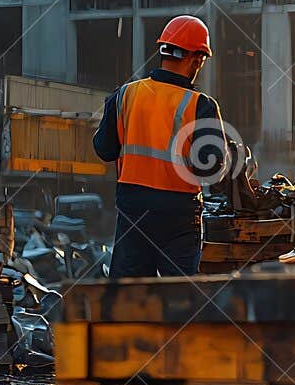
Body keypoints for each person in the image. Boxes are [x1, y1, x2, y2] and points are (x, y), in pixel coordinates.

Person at [92, 15, 242, 278]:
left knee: (129, 297)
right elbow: (210, 168)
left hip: (133, 210)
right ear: (196, 59)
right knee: (180, 299)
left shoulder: (125, 95)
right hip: (178, 215)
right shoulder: (200, 105)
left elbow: (104, 149)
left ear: (164, 50)